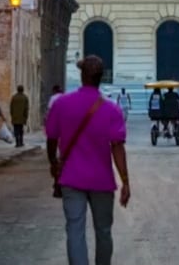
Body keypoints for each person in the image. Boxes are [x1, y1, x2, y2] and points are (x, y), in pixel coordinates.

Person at [45, 55, 131, 265]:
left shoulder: (62, 104)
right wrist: (125, 182)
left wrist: (53, 164)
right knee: (103, 231)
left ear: (82, 75)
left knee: (75, 229)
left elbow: (51, 139)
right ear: (101, 77)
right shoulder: (112, 110)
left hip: (71, 179)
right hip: (101, 181)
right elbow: (117, 147)